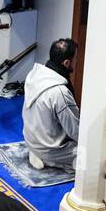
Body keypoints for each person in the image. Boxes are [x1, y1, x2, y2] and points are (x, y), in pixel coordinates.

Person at [22, 38, 81, 171]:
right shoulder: (60, 92)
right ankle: (50, 160)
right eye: (75, 58)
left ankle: (37, 152)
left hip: (31, 141)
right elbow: (74, 130)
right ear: (67, 63)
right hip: (49, 148)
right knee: (89, 155)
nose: (77, 62)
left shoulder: (34, 75)